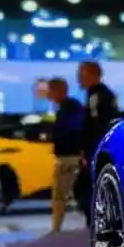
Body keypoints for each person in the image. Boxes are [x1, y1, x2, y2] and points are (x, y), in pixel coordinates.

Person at [74, 60, 121, 226]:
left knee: (93, 192)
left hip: (96, 151)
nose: (79, 79)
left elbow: (96, 126)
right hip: (98, 150)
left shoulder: (98, 95)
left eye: (82, 75)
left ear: (93, 75)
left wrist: (88, 151)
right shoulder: (101, 94)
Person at [48, 78, 84, 232]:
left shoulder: (68, 109)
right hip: (73, 155)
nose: (49, 94)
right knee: (70, 194)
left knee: (60, 195)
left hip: (68, 157)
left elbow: (71, 131)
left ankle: (56, 228)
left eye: (51, 90)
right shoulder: (71, 107)